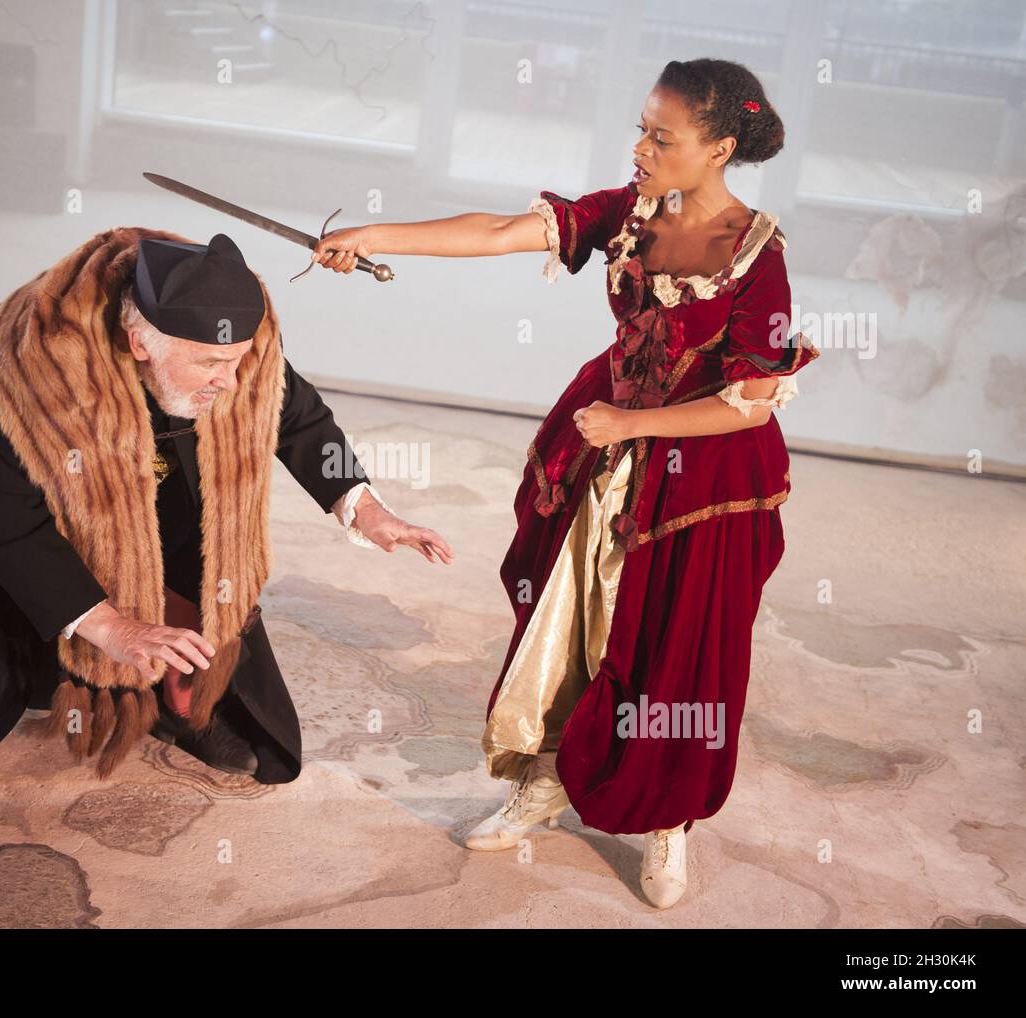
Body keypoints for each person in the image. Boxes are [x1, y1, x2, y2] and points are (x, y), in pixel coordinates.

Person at [0, 228, 453, 873]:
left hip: (136, 401)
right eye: (213, 364)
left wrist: (367, 509)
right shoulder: (31, 379)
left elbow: (291, 410)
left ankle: (167, 703)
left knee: (192, 536)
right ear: (139, 341)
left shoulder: (226, 325)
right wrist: (112, 626)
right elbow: (10, 526)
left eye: (240, 359)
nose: (232, 380)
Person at [311, 58, 818, 908]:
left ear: (720, 146)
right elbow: (498, 231)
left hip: (700, 475)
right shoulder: (626, 213)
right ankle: (548, 776)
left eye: (663, 136)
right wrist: (374, 237)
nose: (641, 147)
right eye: (641, 128)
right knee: (567, 612)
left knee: (676, 649)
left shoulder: (759, 256)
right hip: (601, 445)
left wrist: (632, 425)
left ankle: (668, 822)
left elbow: (751, 407)